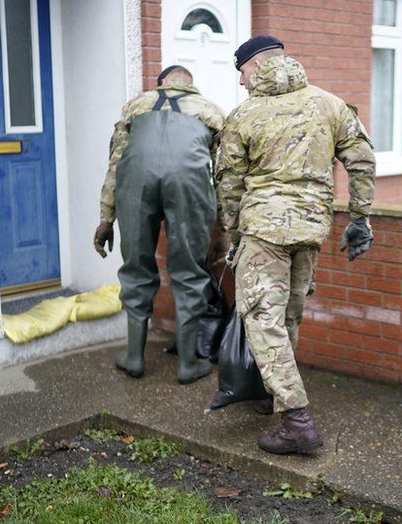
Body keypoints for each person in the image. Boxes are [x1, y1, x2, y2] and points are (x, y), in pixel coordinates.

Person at [216, 35, 376, 455]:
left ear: (254, 66)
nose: (241, 83)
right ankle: (277, 395)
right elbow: (361, 157)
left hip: (264, 230)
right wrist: (359, 217)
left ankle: (297, 421)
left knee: (262, 319)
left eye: (242, 73)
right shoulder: (330, 103)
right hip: (310, 227)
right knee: (288, 313)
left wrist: (232, 237)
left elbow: (228, 185)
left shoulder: (244, 115)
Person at [93, 65, 226, 384]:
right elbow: (224, 173)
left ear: (161, 84)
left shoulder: (135, 106)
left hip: (134, 185)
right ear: (190, 85)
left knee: (137, 268)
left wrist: (106, 219)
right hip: (189, 186)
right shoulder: (212, 111)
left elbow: (115, 164)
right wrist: (225, 227)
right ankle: (187, 364)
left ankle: (134, 358)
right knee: (189, 272)